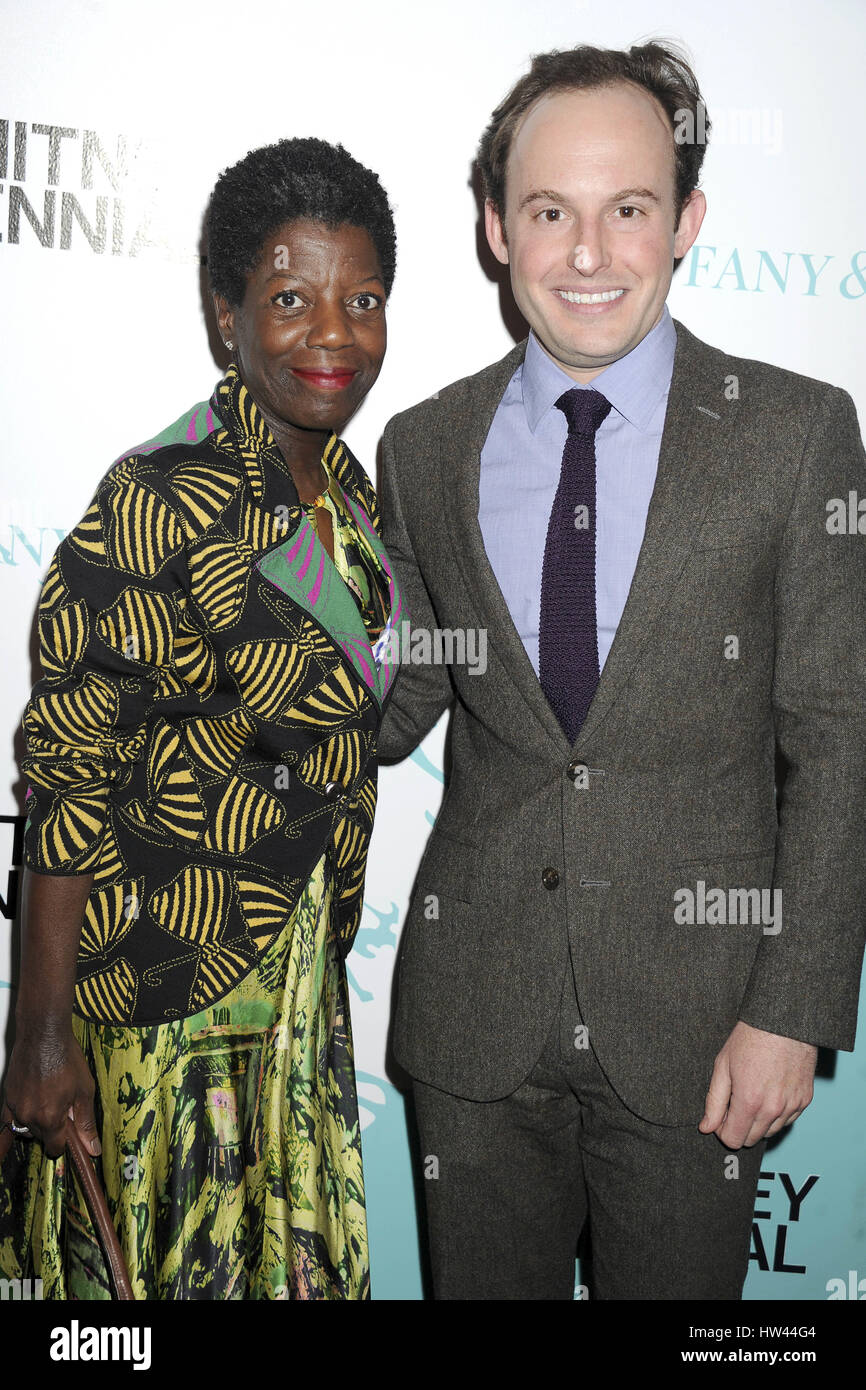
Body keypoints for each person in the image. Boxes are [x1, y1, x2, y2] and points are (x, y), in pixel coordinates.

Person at [378, 41, 866, 1299]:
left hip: (700, 1032)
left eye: (626, 209)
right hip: (472, 1020)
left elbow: (837, 731)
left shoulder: (797, 432)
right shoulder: (422, 445)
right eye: (549, 211)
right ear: (495, 228)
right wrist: (268, 638)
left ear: (685, 219)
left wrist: (793, 1008)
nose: (586, 253)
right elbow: (405, 697)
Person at [0, 136, 405, 1300]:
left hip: (291, 985)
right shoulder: (159, 493)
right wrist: (39, 1033)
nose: (332, 334)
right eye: (289, 297)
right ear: (222, 311)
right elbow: (65, 773)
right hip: (167, 997)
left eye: (361, 299)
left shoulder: (350, 494)